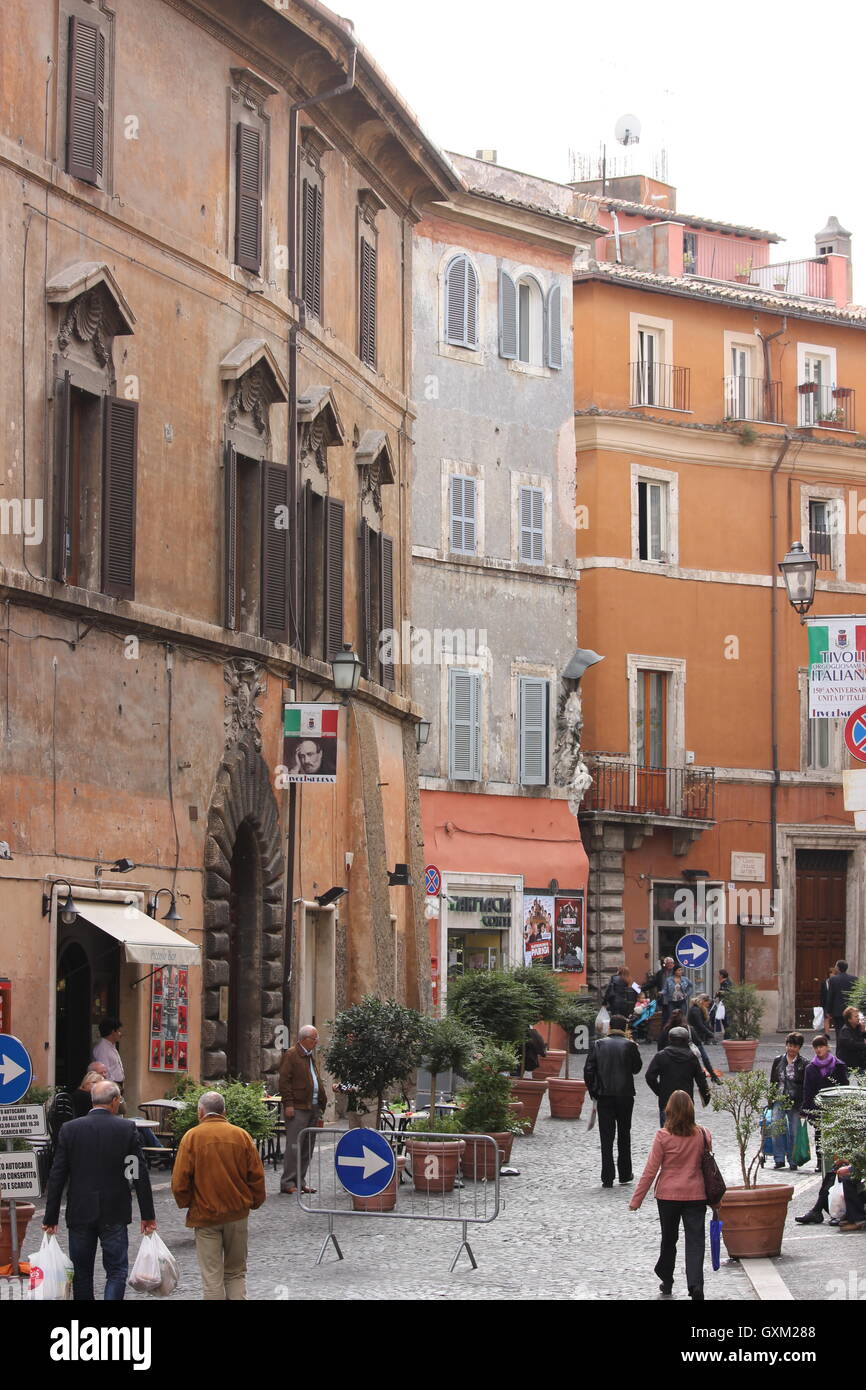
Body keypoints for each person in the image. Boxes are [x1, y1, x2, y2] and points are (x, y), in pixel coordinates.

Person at [42, 1081, 156, 1300]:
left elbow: (58, 1175)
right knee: (116, 1271)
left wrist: (51, 1217)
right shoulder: (126, 1129)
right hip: (115, 1210)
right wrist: (147, 1215)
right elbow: (137, 1173)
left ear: (93, 1101)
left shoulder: (70, 1129)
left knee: (81, 1273)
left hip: (80, 1210)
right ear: (114, 1101)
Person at [171, 1090, 266, 1300]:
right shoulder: (241, 1136)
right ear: (225, 1111)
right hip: (237, 1213)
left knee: (212, 1277)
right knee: (236, 1273)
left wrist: (188, 1203)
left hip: (205, 1215)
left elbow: (179, 1182)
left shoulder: (192, 1137)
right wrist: (254, 1202)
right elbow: (257, 1176)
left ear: (200, 1112)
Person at [629, 1090, 712, 1301]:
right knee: (695, 1240)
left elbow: (650, 1170)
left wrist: (637, 1200)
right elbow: (708, 1166)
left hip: (668, 1196)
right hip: (696, 1194)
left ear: (669, 1111)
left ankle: (666, 1278)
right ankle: (696, 1284)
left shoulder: (663, 1136)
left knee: (669, 1238)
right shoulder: (703, 1134)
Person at [794, 1034, 849, 1223]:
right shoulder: (811, 1068)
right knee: (825, 1152)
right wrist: (807, 1111)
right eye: (816, 1047)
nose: (819, 1050)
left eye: (821, 1046)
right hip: (820, 1114)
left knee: (835, 1164)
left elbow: (844, 1088)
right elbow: (808, 1091)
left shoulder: (838, 1066)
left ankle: (822, 1209)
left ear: (827, 1047)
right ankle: (821, 1208)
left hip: (837, 1115)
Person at [583, 1014, 643, 1187]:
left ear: (610, 1027)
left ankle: (607, 1177)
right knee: (624, 1134)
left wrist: (593, 1091)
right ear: (625, 1028)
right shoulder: (630, 1045)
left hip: (604, 1095)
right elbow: (636, 1068)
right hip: (625, 1095)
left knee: (606, 1137)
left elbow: (588, 1071)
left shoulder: (598, 1044)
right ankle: (624, 1173)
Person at [279, 1024, 326, 1195]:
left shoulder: (309, 1056)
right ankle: (288, 1182)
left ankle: (300, 1181)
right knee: (294, 1146)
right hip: (298, 1107)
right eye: (314, 1039)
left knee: (307, 1147)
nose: (316, 1042)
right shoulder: (292, 1054)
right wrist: (289, 1104)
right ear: (304, 1039)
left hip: (311, 1107)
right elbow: (284, 1081)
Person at [646, 1027, 710, 1128]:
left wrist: (660, 1091)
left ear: (669, 1039)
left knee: (666, 1131)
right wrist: (706, 1097)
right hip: (686, 1100)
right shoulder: (692, 1058)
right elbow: (701, 1080)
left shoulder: (661, 1056)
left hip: (666, 1100)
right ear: (686, 1040)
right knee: (686, 1131)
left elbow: (650, 1076)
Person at [768, 1032, 806, 1170]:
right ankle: (779, 1158)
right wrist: (770, 1098)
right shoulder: (778, 1060)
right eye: (789, 1045)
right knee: (776, 1128)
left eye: (794, 1046)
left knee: (794, 1132)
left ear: (799, 1048)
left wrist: (803, 1105)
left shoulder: (804, 1063)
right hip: (779, 1098)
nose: (791, 1049)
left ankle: (793, 1160)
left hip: (795, 1101)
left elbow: (804, 1085)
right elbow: (773, 1080)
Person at [826, 961, 857, 1039]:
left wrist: (828, 1011)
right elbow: (856, 995)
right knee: (851, 1032)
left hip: (837, 1011)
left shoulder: (833, 979)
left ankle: (840, 1046)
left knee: (839, 1032)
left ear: (838, 968)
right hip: (850, 1010)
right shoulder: (854, 979)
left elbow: (830, 996)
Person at [92, 1017, 124, 1087]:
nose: (121, 1034)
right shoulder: (102, 1048)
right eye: (119, 1031)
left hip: (116, 1085)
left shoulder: (111, 1045)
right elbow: (104, 1072)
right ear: (113, 1032)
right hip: (111, 1086)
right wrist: (113, 1085)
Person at [836, 1006, 866, 1071]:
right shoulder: (845, 1030)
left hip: (858, 1062)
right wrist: (864, 1044)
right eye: (856, 1016)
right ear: (849, 1020)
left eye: (858, 1016)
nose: (858, 1018)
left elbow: (862, 1039)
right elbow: (852, 1044)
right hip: (847, 1064)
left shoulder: (858, 1027)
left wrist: (863, 1031)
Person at [712, 970, 732, 1038]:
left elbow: (729, 992)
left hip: (726, 1004)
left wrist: (720, 992)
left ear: (721, 975)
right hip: (723, 1004)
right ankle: (727, 1036)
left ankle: (728, 1036)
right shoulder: (724, 982)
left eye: (719, 974)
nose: (718, 976)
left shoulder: (726, 983)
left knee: (726, 1020)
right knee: (724, 1020)